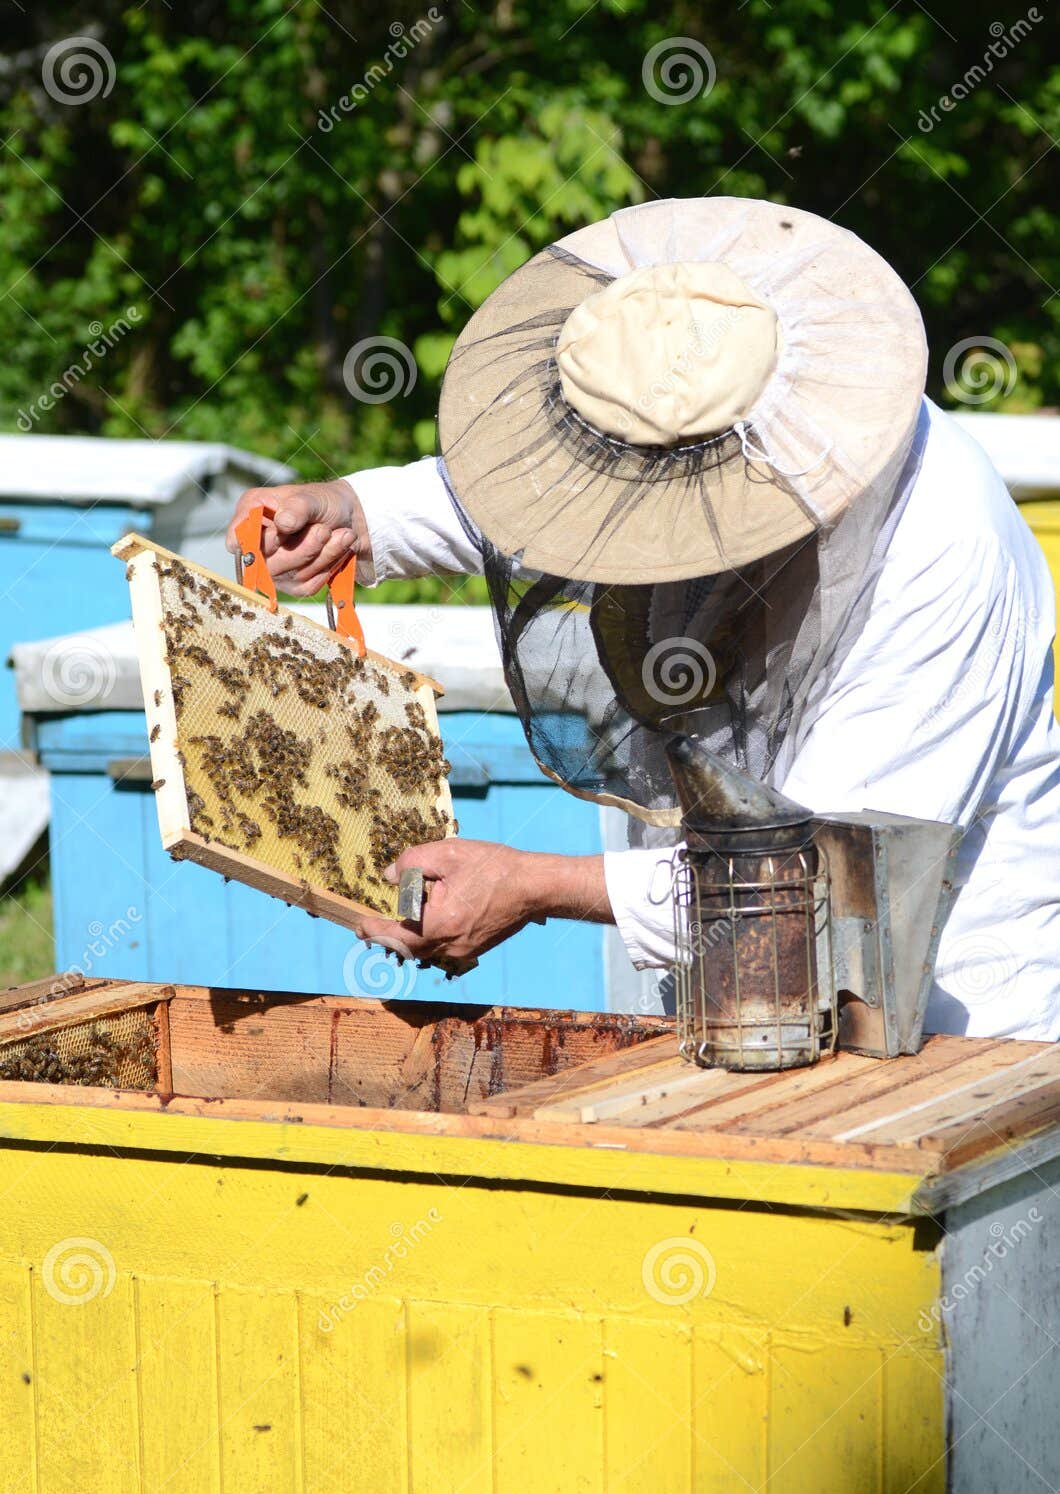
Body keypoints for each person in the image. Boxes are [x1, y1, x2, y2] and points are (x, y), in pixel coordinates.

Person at [228, 197, 1060, 1040]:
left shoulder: (941, 552)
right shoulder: (684, 420)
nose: (628, 510)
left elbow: (827, 874)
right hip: (726, 981)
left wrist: (534, 884)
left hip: (942, 1027)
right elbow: (534, 491)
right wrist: (357, 511)